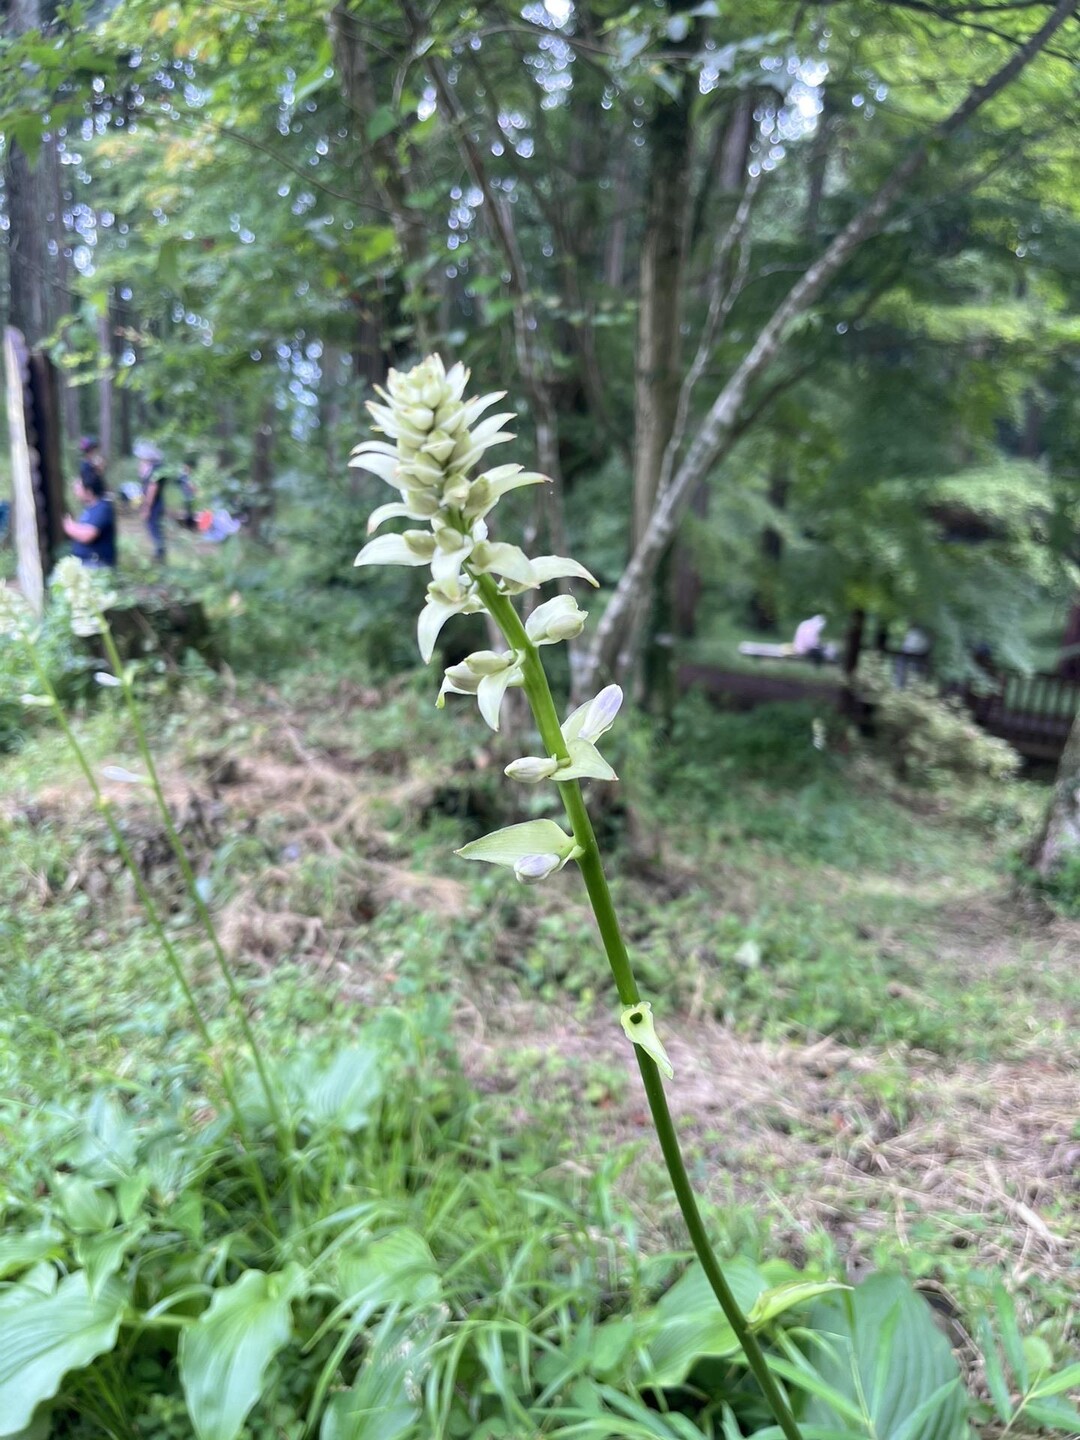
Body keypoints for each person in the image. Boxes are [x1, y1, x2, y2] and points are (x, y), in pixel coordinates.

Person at [62, 469, 116, 568]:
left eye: (78, 487)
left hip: (97, 564)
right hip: (87, 561)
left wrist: (69, 527)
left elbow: (88, 535)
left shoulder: (103, 508)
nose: (75, 490)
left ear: (89, 491)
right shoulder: (91, 508)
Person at [135, 439, 166, 562]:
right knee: (154, 528)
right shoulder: (154, 468)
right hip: (155, 503)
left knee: (154, 528)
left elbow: (153, 488)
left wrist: (146, 507)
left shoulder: (156, 469)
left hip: (154, 504)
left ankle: (159, 555)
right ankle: (159, 553)